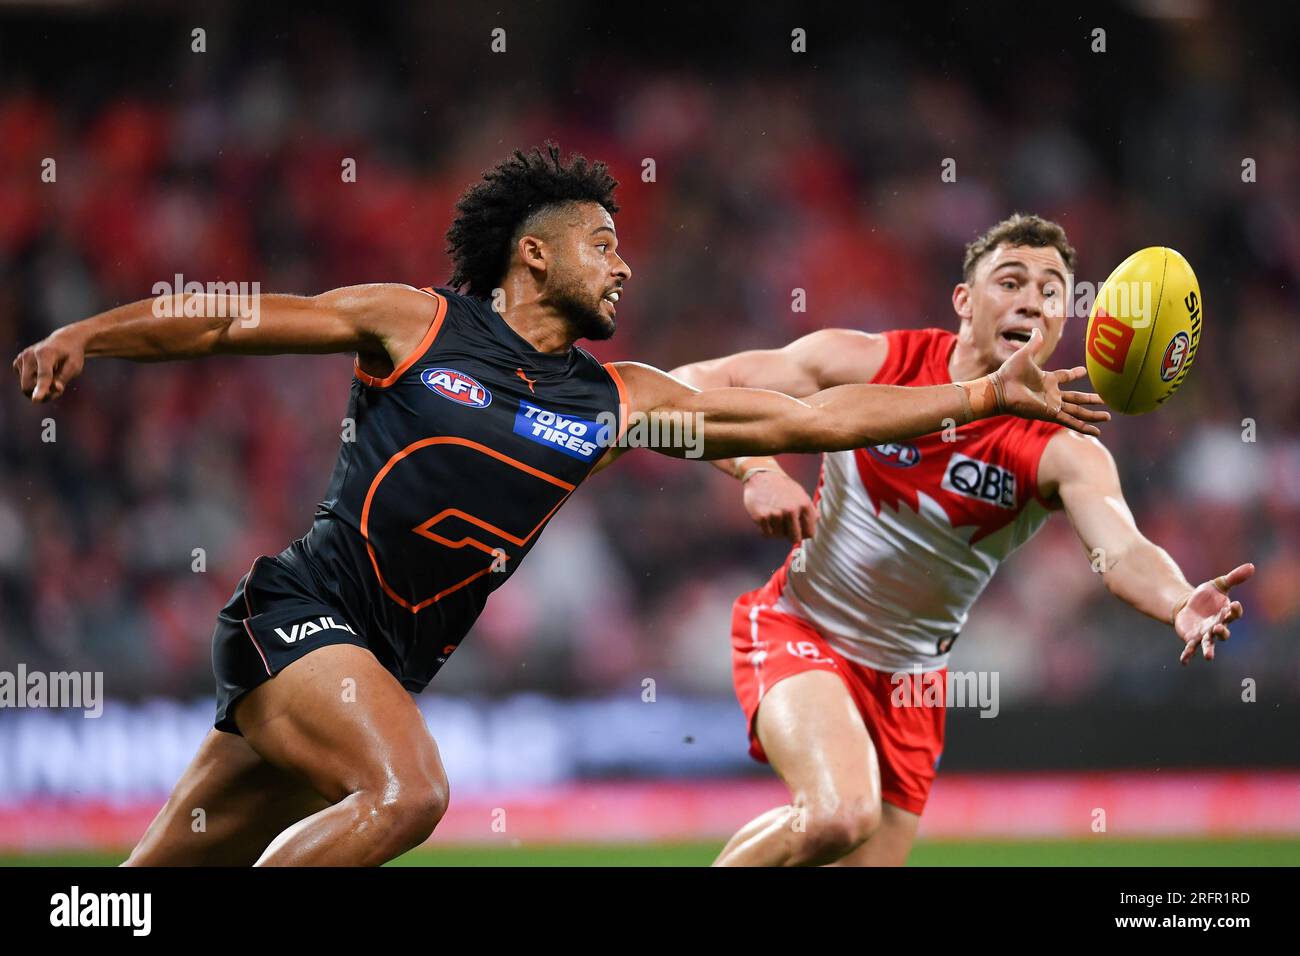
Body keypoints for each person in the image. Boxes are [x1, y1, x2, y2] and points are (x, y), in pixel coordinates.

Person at [12, 151, 1106, 866]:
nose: (624, 267)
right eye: (601, 244)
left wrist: (976, 393)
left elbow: (796, 423)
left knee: (135, 889)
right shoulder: (415, 323)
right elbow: (227, 320)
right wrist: (90, 334)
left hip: (375, 663)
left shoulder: (614, 402)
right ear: (532, 252)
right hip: (300, 611)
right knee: (408, 793)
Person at [670, 213, 1253, 867]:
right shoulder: (870, 361)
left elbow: (1119, 549)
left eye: (1052, 290)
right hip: (801, 629)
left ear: (1066, 320)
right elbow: (694, 385)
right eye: (1011, 281)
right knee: (838, 815)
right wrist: (759, 469)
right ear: (964, 301)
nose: (1033, 298)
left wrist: (1177, 600)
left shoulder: (1064, 452)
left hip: (913, 687)